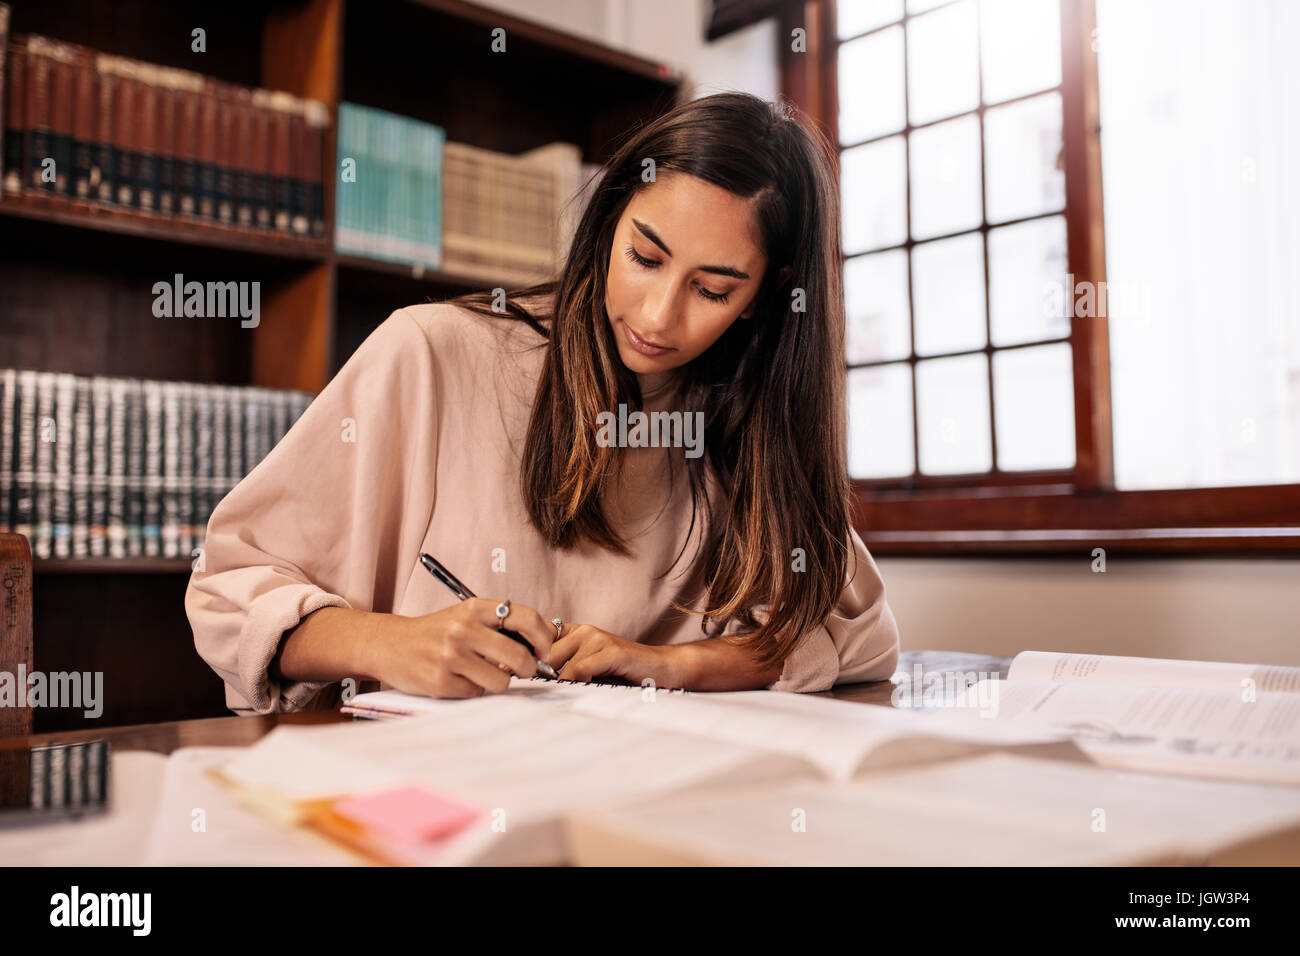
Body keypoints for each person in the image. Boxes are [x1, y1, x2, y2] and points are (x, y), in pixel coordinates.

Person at [185, 91, 900, 715]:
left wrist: (673, 665)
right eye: (645, 258)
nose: (656, 317)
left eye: (712, 290)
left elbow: (856, 635)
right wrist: (390, 643)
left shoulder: (754, 413)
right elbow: (230, 587)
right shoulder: (432, 354)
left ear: (762, 299)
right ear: (609, 221)